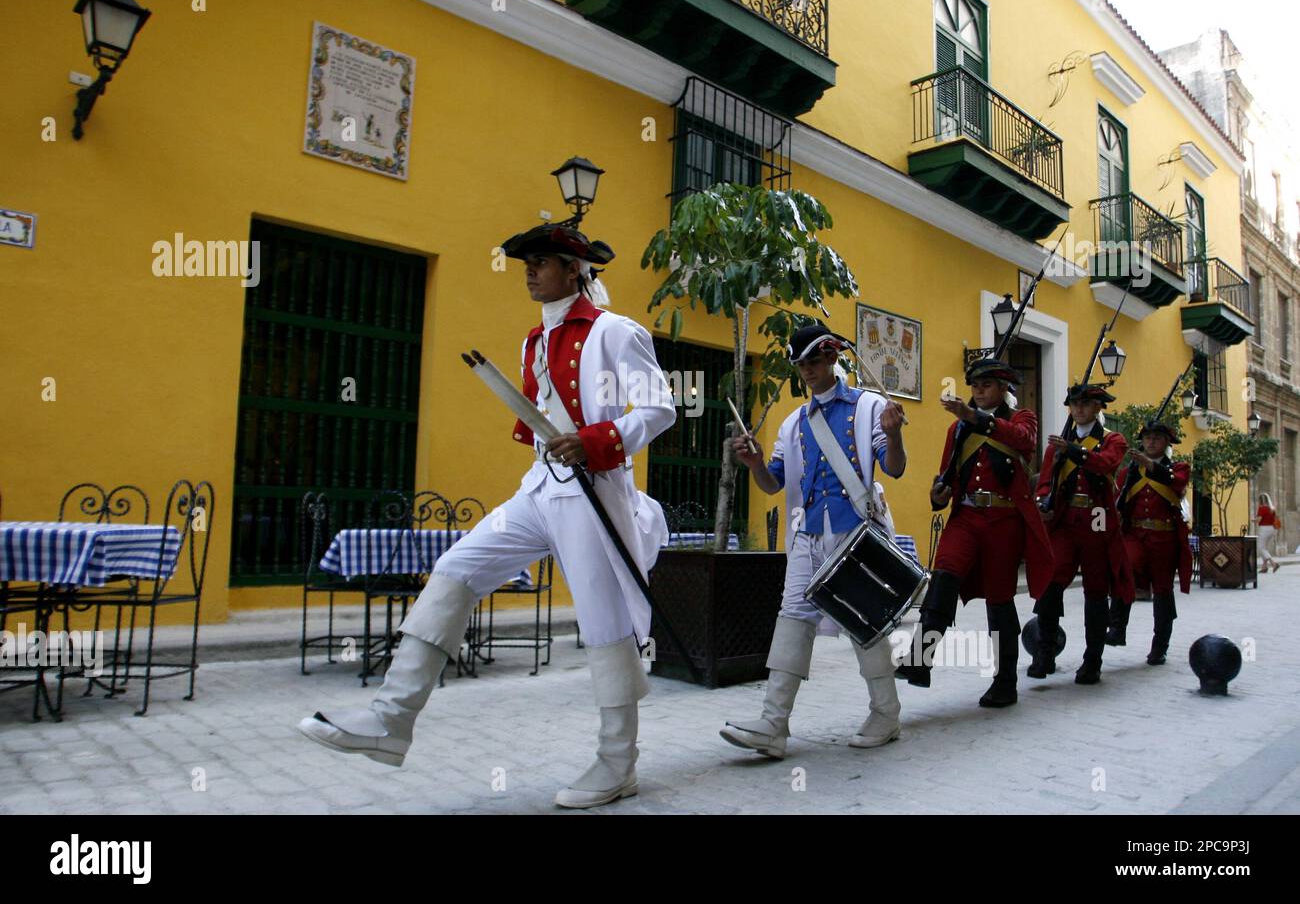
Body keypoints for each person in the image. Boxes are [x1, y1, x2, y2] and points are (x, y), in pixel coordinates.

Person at [298, 223, 677, 809]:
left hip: (591, 489)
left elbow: (659, 408)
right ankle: (390, 719)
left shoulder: (615, 332)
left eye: (542, 261)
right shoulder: (533, 341)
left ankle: (616, 761)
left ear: (574, 271)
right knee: (455, 569)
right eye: (526, 261)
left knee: (604, 623)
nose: (529, 270)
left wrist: (596, 439)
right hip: (538, 489)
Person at [719, 324, 907, 758]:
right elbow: (772, 484)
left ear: (832, 358)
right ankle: (773, 723)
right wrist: (753, 463)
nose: (807, 370)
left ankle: (886, 713)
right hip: (807, 534)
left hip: (856, 530)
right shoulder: (792, 423)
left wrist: (894, 434)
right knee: (792, 618)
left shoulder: (870, 406)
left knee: (865, 622)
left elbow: (894, 469)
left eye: (815, 361)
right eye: (801, 363)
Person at [901, 358, 1053, 707]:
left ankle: (1006, 680)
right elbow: (947, 475)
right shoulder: (957, 430)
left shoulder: (1020, 418)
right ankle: (919, 660)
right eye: (975, 385)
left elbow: (1024, 440)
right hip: (967, 516)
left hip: (1004, 520)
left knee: (1000, 600)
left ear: (1003, 388)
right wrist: (938, 495)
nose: (978, 391)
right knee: (943, 576)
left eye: (986, 385)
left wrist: (975, 418)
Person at [1031, 384, 1134, 685]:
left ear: (1098, 407)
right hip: (1065, 520)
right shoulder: (1058, 445)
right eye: (1074, 404)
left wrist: (1074, 451)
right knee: (1051, 583)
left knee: (1096, 589)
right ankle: (1045, 652)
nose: (1078, 409)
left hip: (1098, 518)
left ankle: (1093, 661)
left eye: (1085, 404)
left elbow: (1105, 464)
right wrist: (1043, 501)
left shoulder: (1112, 440)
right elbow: (1046, 482)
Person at [1106, 420, 1193, 664]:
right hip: (1135, 535)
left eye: (1157, 438)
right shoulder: (1130, 472)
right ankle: (1117, 628)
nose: (1151, 441)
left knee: (1163, 591)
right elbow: (1118, 500)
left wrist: (1149, 465)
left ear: (1166, 442)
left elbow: (1176, 482)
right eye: (1147, 438)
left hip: (1164, 539)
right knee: (1125, 573)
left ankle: (1159, 646)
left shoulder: (1179, 467)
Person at [1254, 492, 1281, 572]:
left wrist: (1253, 520)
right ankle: (1264, 567)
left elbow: (1259, 519)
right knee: (1265, 548)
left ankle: (1273, 563)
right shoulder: (1272, 508)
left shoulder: (1262, 508)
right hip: (1272, 529)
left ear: (1260, 500)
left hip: (1264, 529)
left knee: (1261, 547)